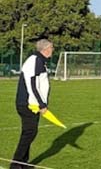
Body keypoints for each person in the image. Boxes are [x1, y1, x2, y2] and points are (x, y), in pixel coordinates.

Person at [11, 39, 54, 169]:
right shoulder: (35, 60)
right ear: (45, 49)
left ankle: (23, 163)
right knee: (29, 132)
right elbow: (32, 85)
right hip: (28, 104)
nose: (53, 50)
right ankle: (16, 164)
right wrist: (41, 104)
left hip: (32, 104)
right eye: (52, 47)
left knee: (29, 132)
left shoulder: (40, 61)